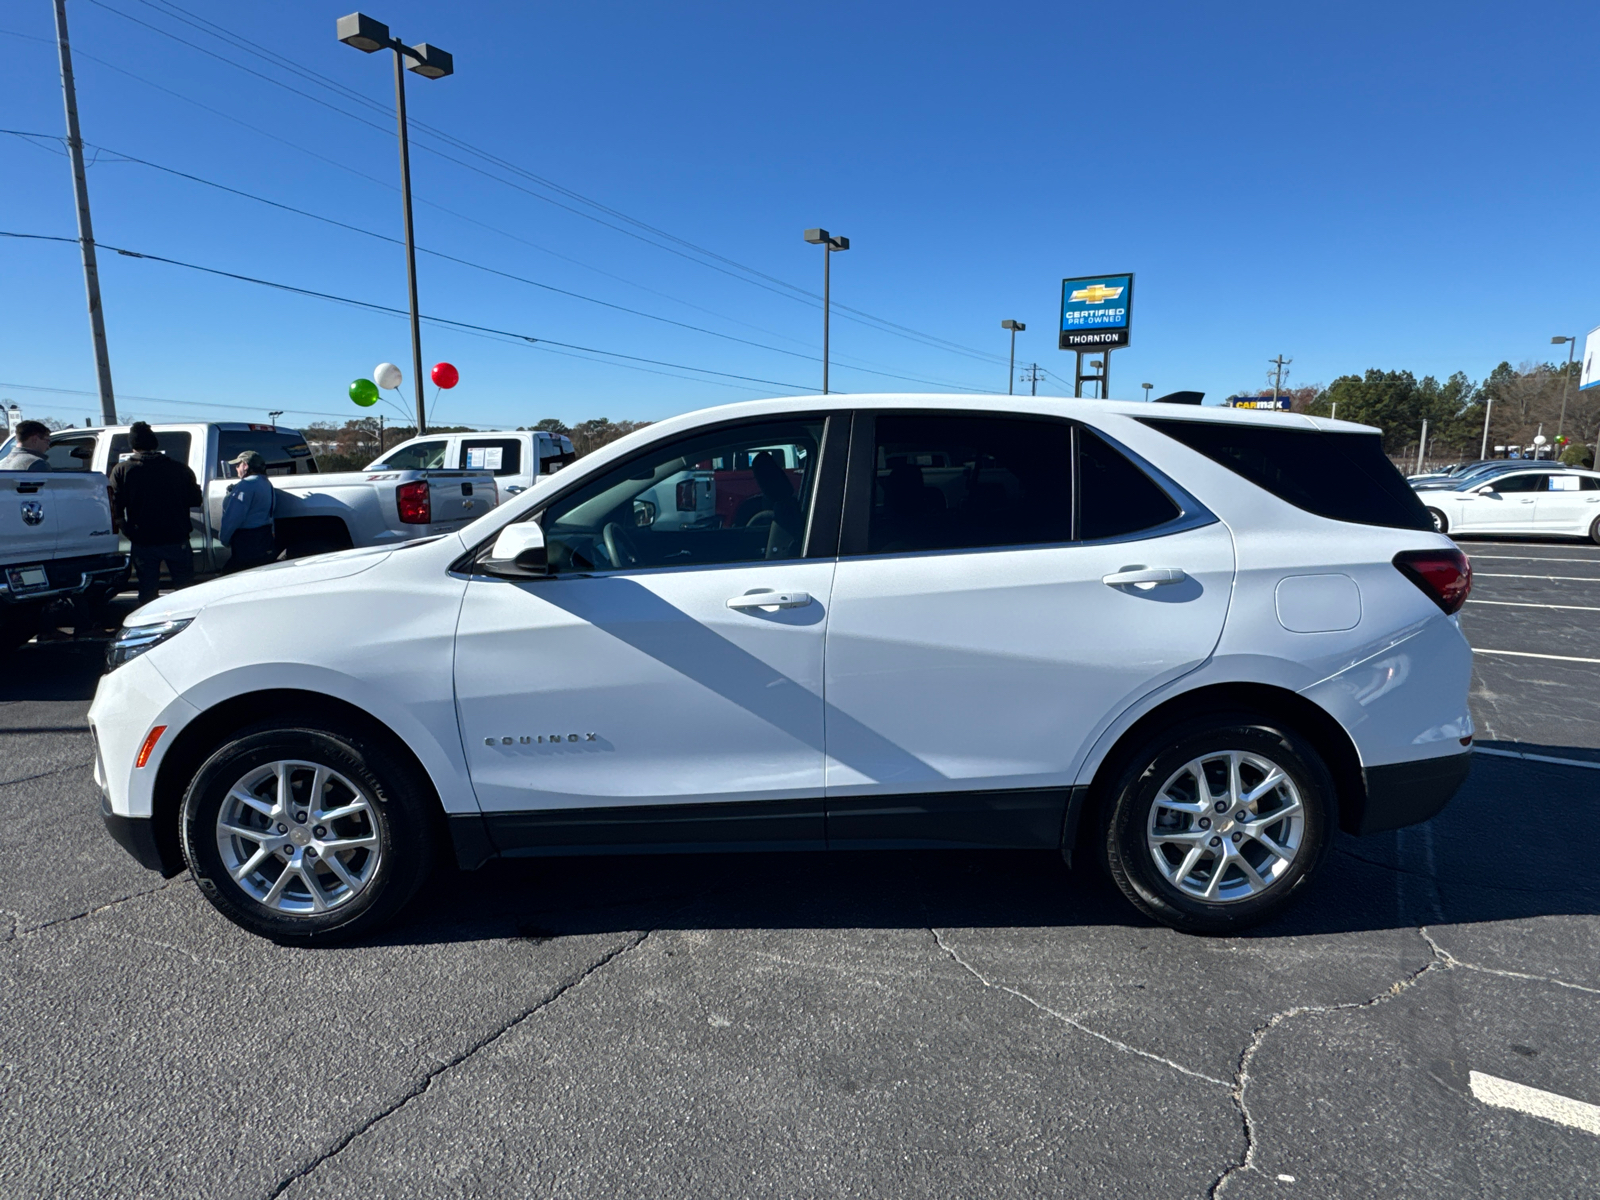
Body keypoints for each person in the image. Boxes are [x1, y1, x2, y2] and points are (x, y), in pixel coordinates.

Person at [108, 422, 203, 605]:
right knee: (185, 589)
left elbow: (115, 505)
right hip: (177, 538)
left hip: (143, 540)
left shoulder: (123, 470)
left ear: (133, 445)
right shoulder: (179, 469)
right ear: (155, 443)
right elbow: (195, 499)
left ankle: (149, 624)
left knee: (147, 590)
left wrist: (127, 529)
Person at [219, 450, 277, 572]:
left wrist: (224, 538)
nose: (236, 468)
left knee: (227, 578)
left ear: (245, 465)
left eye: (238, 465)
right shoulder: (266, 483)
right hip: (264, 538)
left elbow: (233, 517)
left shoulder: (245, 485)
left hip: (246, 542)